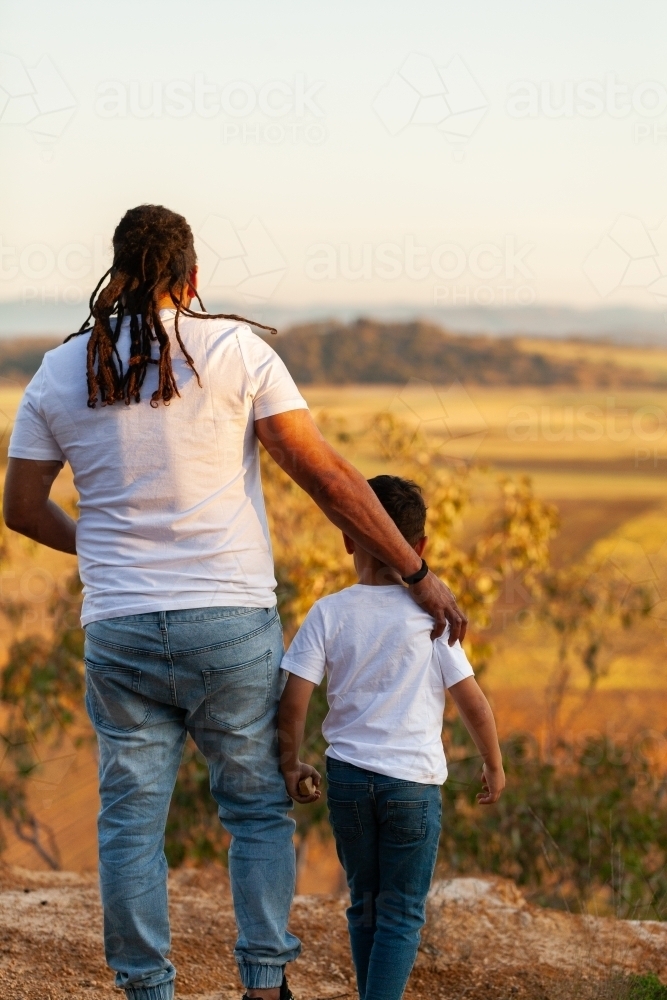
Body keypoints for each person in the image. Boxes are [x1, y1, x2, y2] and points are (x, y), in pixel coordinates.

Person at [2, 206, 468, 1000]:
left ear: (113, 276)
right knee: (255, 810)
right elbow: (326, 478)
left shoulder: (59, 370)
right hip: (229, 624)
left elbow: (19, 507)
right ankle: (261, 984)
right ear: (189, 279)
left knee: (130, 827)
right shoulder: (232, 350)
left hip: (119, 630)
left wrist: (110, 553)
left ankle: (147, 988)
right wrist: (415, 571)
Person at [278, 474, 505, 1000]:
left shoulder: (329, 613)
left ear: (348, 537)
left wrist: (291, 764)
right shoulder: (433, 617)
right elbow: (473, 702)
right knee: (402, 911)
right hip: (412, 788)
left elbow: (294, 701)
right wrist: (493, 764)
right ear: (419, 547)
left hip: (350, 784)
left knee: (365, 903)